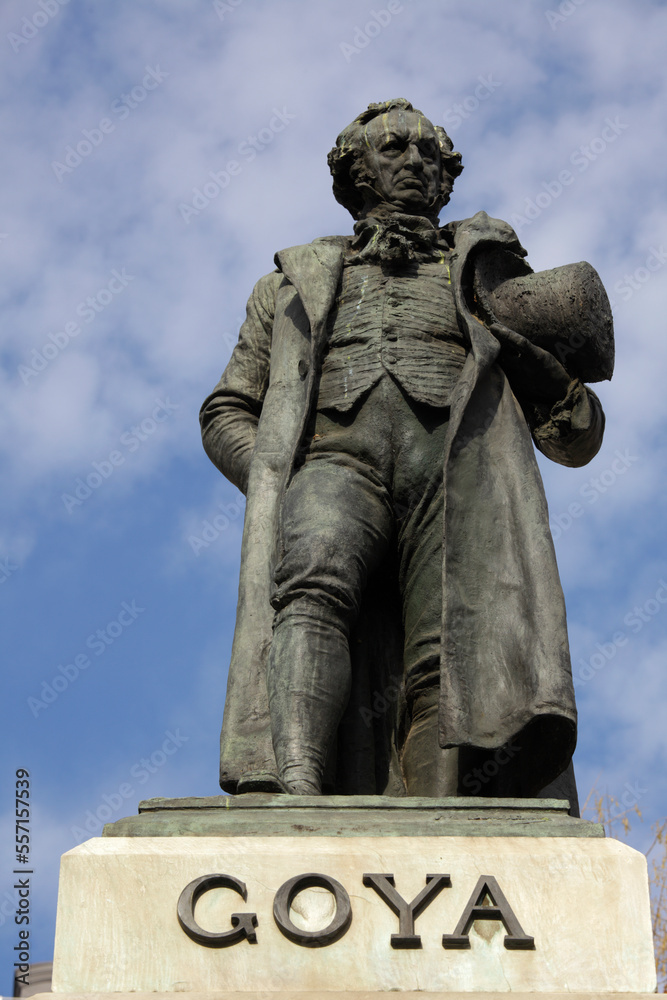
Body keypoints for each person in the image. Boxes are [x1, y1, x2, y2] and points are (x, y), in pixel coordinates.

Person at [200, 98, 610, 802]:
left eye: (429, 154)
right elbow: (227, 408)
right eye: (393, 149)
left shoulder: (493, 281)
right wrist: (279, 477)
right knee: (310, 585)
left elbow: (576, 435)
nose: (414, 162)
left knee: (447, 652)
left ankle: (439, 810)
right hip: (335, 463)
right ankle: (295, 788)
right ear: (355, 170)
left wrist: (544, 371)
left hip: (457, 477)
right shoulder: (285, 288)